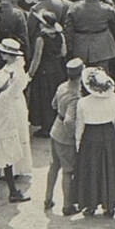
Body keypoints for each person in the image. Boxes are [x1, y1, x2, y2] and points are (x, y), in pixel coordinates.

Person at [0, 39, 32, 203]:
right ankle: (13, 192)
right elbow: (14, 88)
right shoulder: (7, 95)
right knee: (8, 160)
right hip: (7, 127)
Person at [74, 66, 115, 218]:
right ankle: (109, 206)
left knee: (91, 170)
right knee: (109, 170)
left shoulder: (83, 103)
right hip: (109, 135)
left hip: (90, 137)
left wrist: (78, 143)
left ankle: (90, 205)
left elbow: (80, 126)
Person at [44, 59, 82, 215]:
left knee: (54, 166)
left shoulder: (62, 87)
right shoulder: (76, 95)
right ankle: (67, 206)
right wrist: (75, 137)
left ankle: (48, 198)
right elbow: (69, 120)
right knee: (68, 170)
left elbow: (53, 104)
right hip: (66, 137)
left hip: (55, 129)